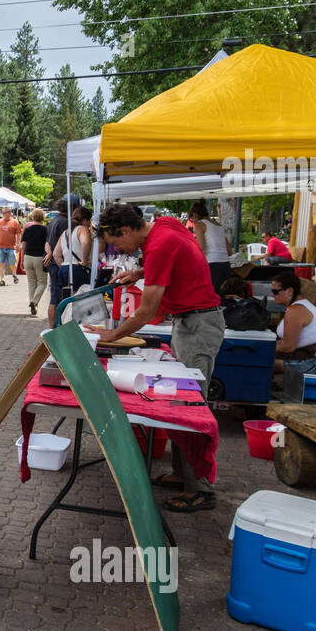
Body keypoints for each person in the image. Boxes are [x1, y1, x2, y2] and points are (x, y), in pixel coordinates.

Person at [87, 202, 225, 513]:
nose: (118, 249)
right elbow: (177, 258)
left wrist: (112, 335)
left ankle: (200, 488)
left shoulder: (160, 244)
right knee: (178, 399)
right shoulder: (163, 226)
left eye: (116, 242)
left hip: (198, 324)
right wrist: (139, 271)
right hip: (191, 321)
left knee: (189, 407)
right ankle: (182, 473)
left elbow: (147, 311)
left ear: (125, 230)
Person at [271, 270, 316, 376]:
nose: (272, 295)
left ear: (290, 291)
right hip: (312, 360)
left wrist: (263, 348)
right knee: (260, 360)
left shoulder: (296, 310)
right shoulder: (298, 307)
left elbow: (288, 346)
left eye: (275, 292)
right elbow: (284, 343)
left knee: (260, 363)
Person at [43, 195, 78, 325]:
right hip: (60, 264)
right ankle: (55, 328)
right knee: (58, 299)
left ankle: (53, 327)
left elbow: (47, 242)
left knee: (54, 297)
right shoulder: (65, 223)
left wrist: (49, 253)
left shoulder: (53, 220)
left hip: (54, 264)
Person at [52, 205, 94, 301]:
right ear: (85, 220)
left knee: (69, 300)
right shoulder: (82, 229)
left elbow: (56, 254)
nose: (89, 224)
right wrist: (85, 261)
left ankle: (68, 316)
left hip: (64, 269)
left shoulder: (65, 233)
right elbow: (86, 242)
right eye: (89, 221)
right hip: (77, 269)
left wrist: (64, 265)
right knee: (80, 300)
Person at [189, 200, 232, 292]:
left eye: (192, 219)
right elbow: (230, 251)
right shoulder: (218, 225)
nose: (193, 222)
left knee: (211, 295)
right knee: (223, 295)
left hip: (212, 264)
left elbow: (201, 248)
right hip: (226, 264)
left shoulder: (199, 225)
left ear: (195, 215)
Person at [20, 208, 51, 316]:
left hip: (28, 257)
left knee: (31, 283)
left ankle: (33, 305)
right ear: (43, 217)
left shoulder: (27, 230)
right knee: (42, 282)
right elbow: (48, 245)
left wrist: (21, 259)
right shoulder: (46, 230)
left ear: (32, 216)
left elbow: (23, 247)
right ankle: (34, 302)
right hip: (39, 258)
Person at [0, 206, 22, 286]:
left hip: (11, 247)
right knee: (1, 263)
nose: (3, 214)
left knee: (12, 264)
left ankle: (14, 275)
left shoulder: (15, 222)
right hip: (1, 247)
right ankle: (2, 280)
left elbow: (18, 234)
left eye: (5, 212)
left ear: (9, 213)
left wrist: (18, 244)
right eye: (2, 213)